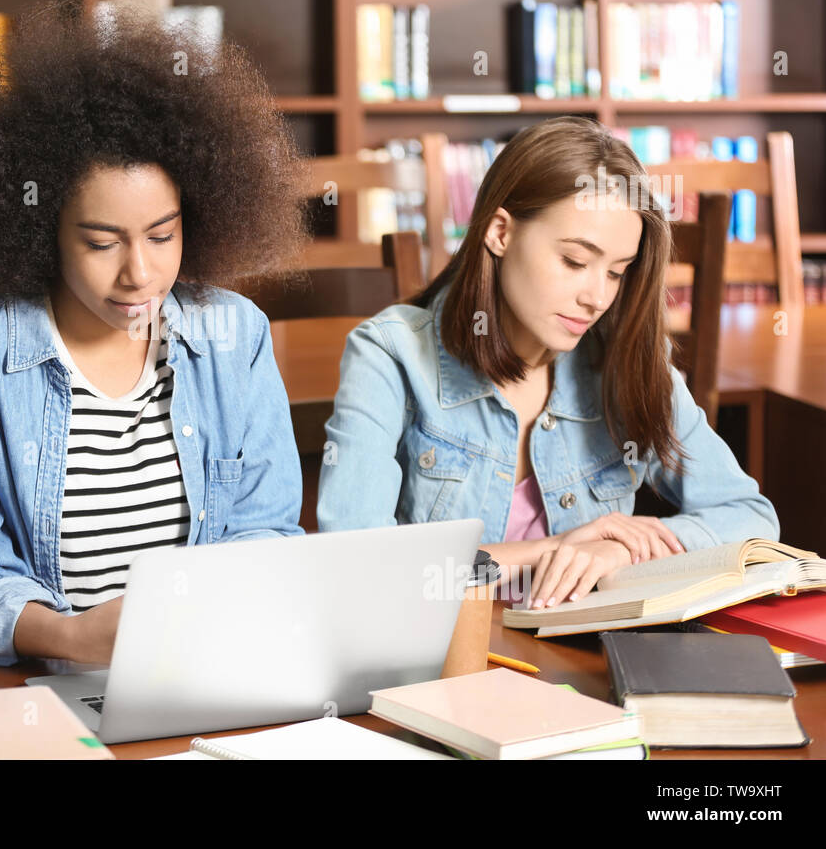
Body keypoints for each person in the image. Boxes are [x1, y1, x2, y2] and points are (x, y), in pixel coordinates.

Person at [0, 0, 308, 667]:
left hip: (205, 676)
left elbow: (266, 529)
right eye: (100, 242)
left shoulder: (238, 334)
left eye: (162, 235)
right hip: (46, 690)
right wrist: (70, 638)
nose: (139, 274)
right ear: (42, 232)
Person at [317, 116, 778, 608]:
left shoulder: (627, 362)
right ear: (500, 232)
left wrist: (622, 552)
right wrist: (550, 551)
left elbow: (750, 516)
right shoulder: (391, 356)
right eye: (575, 262)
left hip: (583, 669)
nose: (596, 296)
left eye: (617, 272)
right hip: (445, 667)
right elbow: (357, 565)